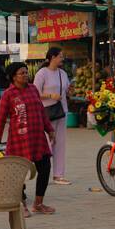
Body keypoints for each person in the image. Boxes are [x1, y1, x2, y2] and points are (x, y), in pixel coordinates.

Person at [0, 61, 57, 216]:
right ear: (13, 77)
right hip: (19, 140)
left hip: (37, 138)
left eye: (26, 72)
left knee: (45, 168)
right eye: (22, 73)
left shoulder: (33, 89)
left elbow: (41, 111)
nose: (26, 75)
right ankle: (21, 205)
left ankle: (38, 203)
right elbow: (0, 120)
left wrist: (49, 129)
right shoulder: (8, 95)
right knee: (18, 173)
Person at [33, 47, 71, 185]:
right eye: (60, 56)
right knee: (47, 143)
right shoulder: (42, 73)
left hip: (61, 111)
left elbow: (67, 89)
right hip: (46, 112)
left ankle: (58, 175)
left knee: (60, 143)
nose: (62, 58)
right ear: (52, 57)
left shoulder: (63, 74)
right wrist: (50, 95)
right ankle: (43, 171)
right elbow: (35, 93)